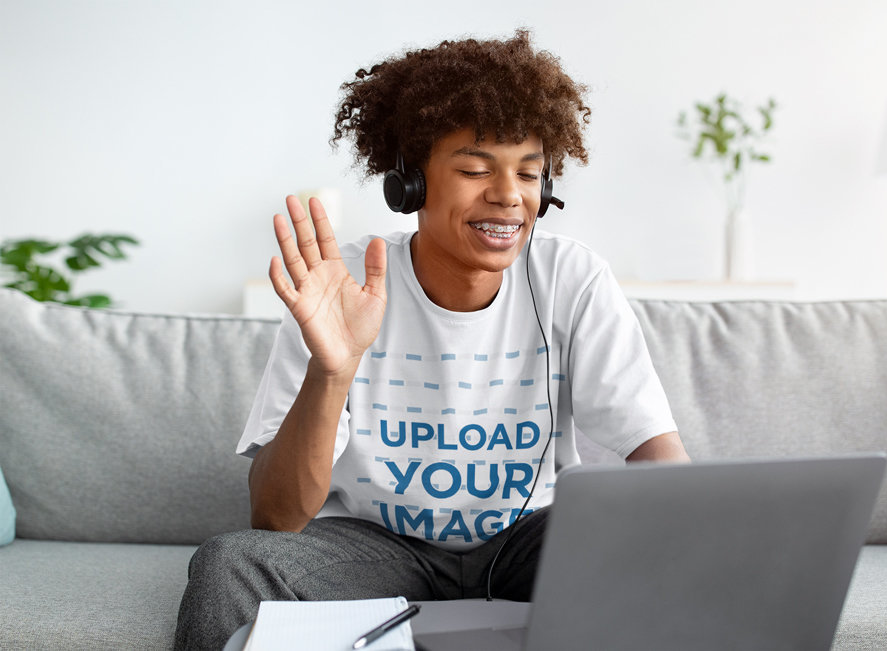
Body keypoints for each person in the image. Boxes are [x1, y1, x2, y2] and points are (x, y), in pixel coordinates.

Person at [174, 29, 689, 650]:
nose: (508, 196)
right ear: (409, 183)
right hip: (377, 548)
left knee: (665, 551)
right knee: (230, 565)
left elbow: (657, 456)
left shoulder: (570, 278)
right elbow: (276, 520)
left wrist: (688, 542)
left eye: (529, 175)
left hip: (527, 542)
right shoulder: (341, 285)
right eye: (475, 170)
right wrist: (332, 370)